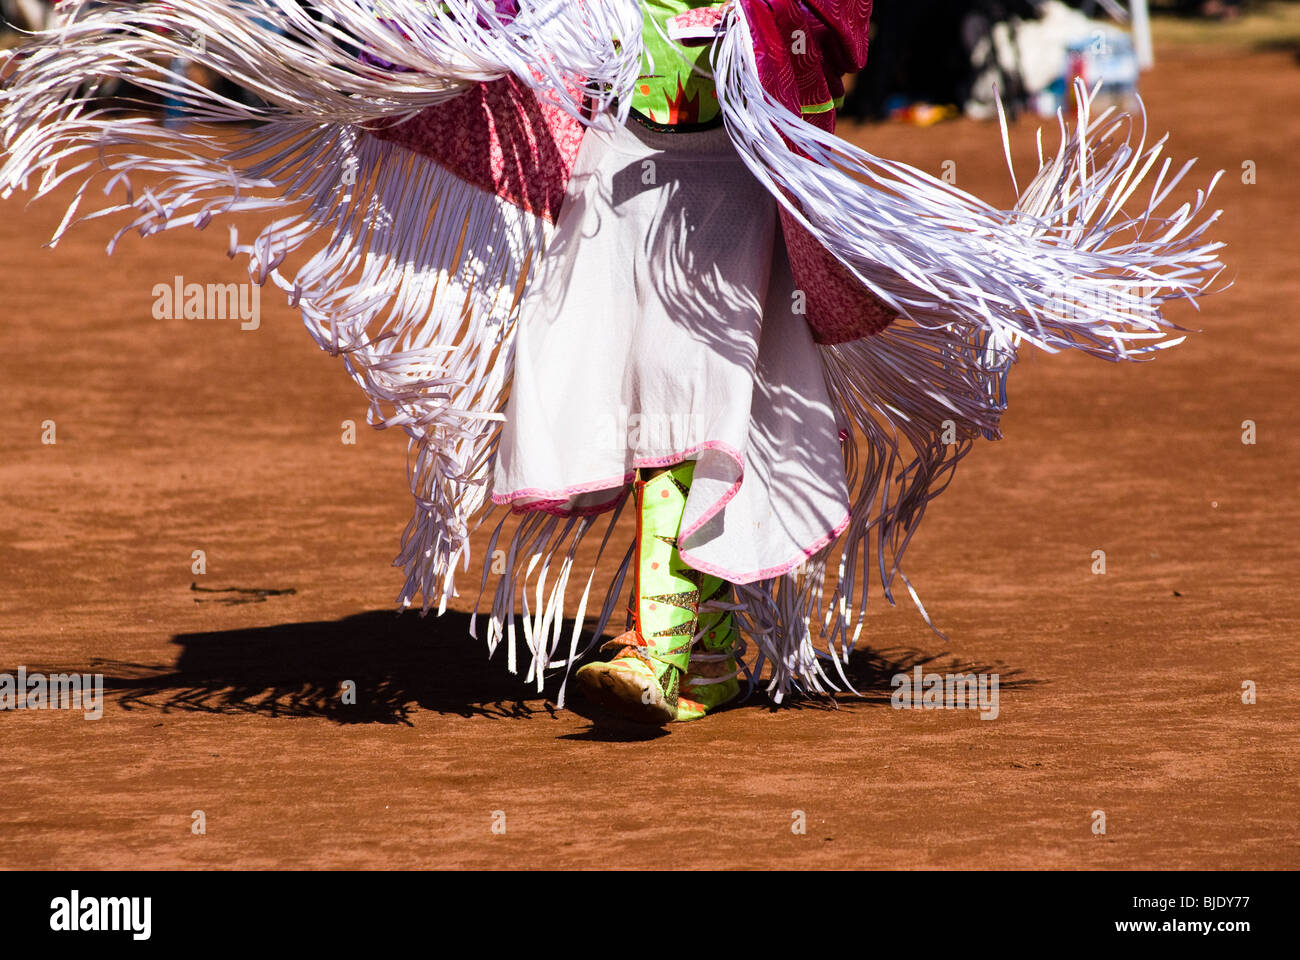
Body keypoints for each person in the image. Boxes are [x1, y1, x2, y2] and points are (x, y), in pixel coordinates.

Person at [0, 0, 1225, 726]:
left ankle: (665, 644)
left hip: (732, 186)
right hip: (606, 179)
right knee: (624, 389)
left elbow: (830, 31)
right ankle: (704, 646)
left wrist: (743, 42)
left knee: (695, 396)